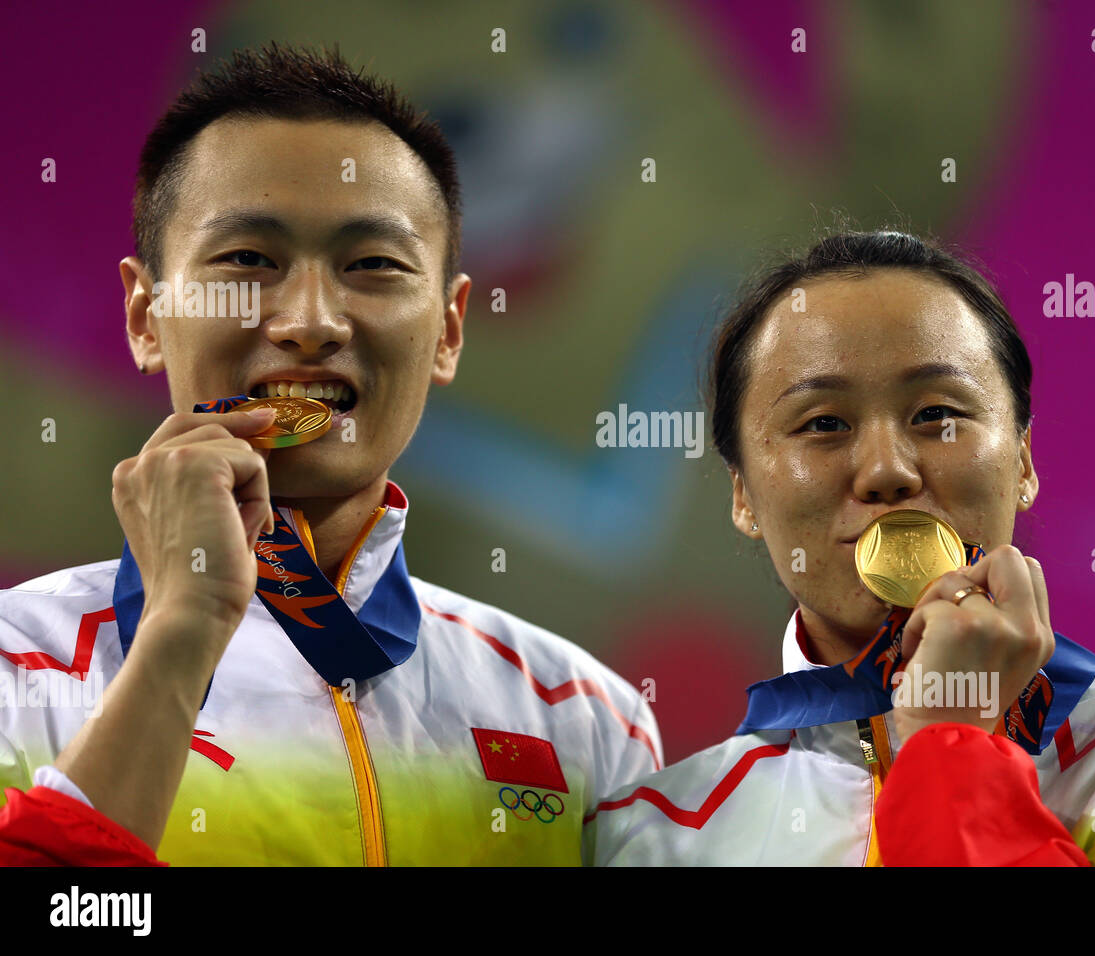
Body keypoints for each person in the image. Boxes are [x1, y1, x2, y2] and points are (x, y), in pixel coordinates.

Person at [0, 42, 660, 866]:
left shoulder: (580, 714)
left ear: (449, 331)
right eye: (247, 260)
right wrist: (181, 631)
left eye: (373, 265)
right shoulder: (14, 668)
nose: (311, 321)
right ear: (144, 316)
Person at [582, 228, 1095, 866]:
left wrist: (946, 746)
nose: (889, 469)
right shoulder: (648, 837)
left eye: (937, 414)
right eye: (823, 423)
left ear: (1022, 462)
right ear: (742, 495)